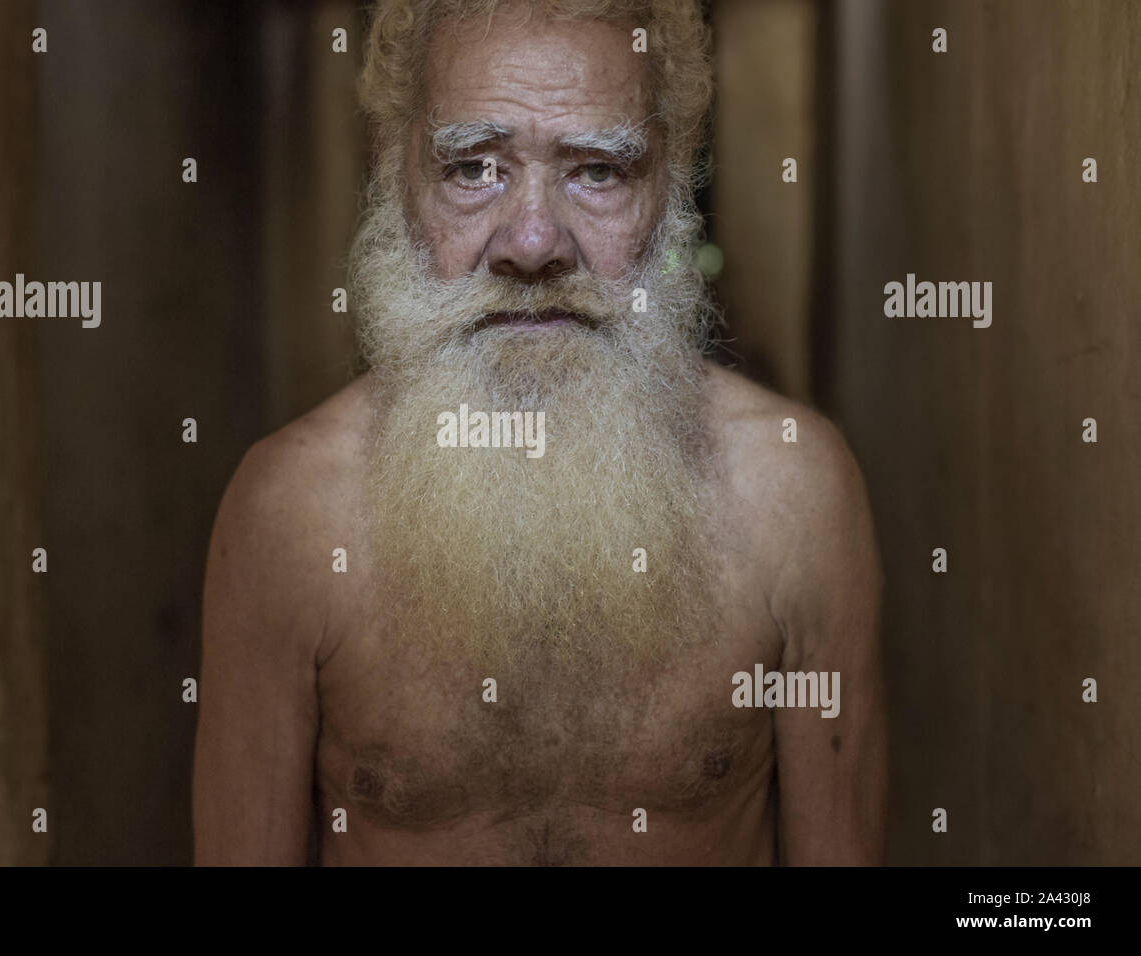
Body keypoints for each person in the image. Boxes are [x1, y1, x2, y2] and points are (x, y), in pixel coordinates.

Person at [193, 0, 885, 865]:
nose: (531, 241)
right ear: (395, 171)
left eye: (597, 170)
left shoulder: (796, 496)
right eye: (473, 167)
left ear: (670, 181)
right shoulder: (287, 515)